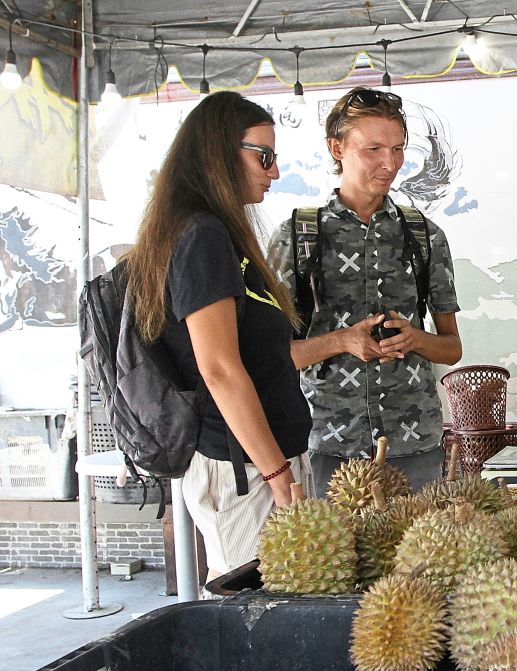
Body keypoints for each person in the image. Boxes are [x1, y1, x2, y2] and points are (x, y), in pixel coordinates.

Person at [123, 91, 310, 579]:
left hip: (257, 465)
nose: (273, 171)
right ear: (219, 154)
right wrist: (275, 471)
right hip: (242, 472)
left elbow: (256, 357)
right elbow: (220, 368)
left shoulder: (218, 235)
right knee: (254, 619)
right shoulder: (202, 235)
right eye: (263, 156)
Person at [267, 87, 462, 499]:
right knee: (338, 562)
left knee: (422, 560)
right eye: (373, 148)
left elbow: (451, 349)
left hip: (416, 443)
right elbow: (275, 357)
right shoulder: (297, 237)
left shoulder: (425, 235)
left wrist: (416, 339)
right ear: (336, 148)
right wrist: (341, 341)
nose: (389, 163)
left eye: (397, 148)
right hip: (331, 444)